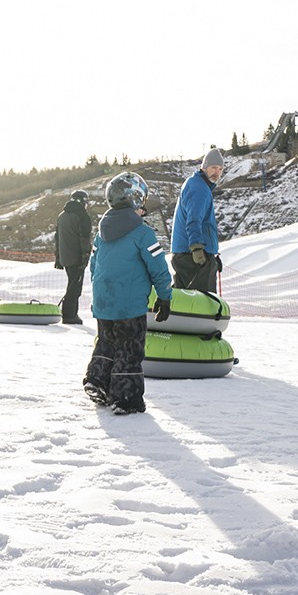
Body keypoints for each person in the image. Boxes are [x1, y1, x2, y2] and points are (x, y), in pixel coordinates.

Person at [84, 171, 173, 415]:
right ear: (135, 201)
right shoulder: (143, 233)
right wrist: (165, 295)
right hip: (129, 304)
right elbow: (158, 266)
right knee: (129, 348)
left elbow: (94, 266)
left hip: (104, 300)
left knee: (106, 342)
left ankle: (98, 380)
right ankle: (126, 397)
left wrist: (102, 292)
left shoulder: (101, 233)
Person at [170, 147, 223, 295]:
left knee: (183, 299)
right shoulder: (199, 188)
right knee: (203, 301)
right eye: (213, 168)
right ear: (204, 167)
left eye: (220, 169)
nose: (217, 172)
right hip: (192, 256)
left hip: (187, 253)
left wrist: (212, 253)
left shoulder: (197, 184)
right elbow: (193, 220)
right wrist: (197, 249)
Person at [54, 190, 92, 324]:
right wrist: (85, 254)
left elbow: (57, 238)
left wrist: (58, 257)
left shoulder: (62, 215)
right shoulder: (82, 216)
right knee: (74, 287)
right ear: (82, 201)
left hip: (65, 257)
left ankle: (70, 313)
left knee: (72, 284)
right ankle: (69, 315)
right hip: (77, 257)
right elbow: (84, 238)